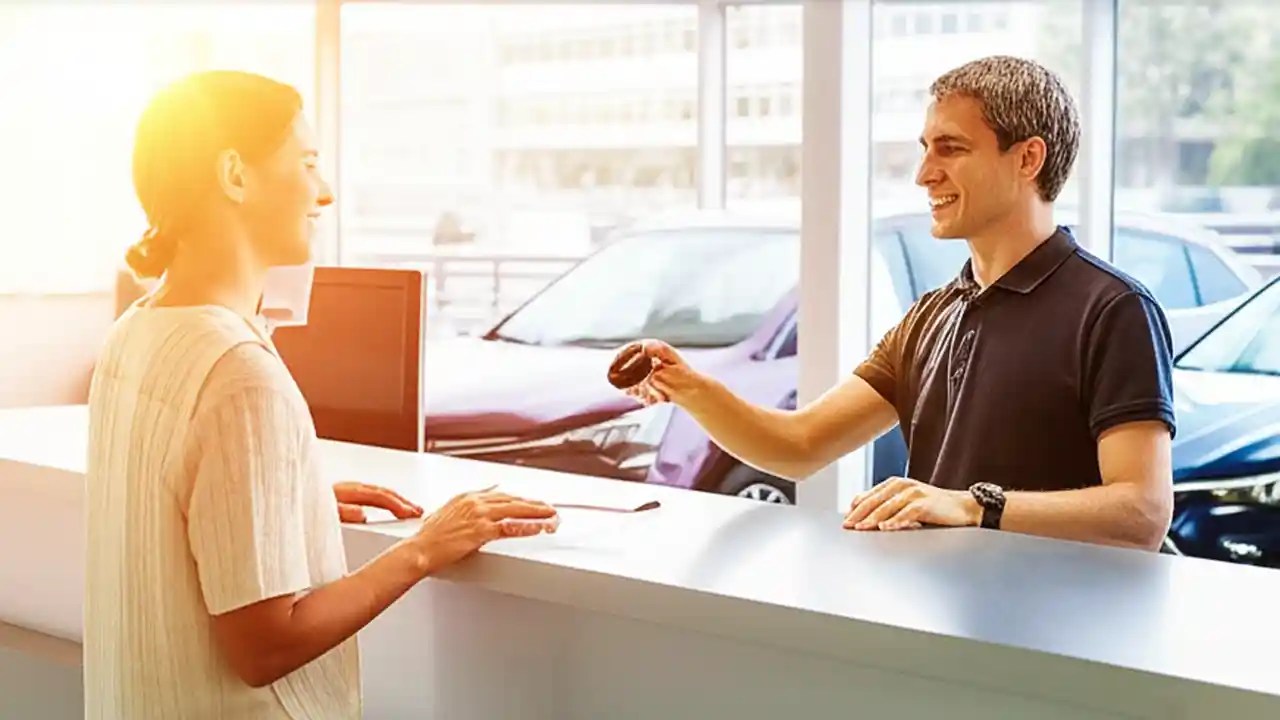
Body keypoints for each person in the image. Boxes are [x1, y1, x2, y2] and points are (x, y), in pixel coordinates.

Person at [84, 71, 558, 719]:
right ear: (235, 175)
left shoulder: (134, 330)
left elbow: (173, 508)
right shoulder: (239, 372)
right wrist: (423, 547)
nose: (325, 191)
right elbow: (265, 647)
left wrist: (287, 504)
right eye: (307, 163)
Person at [626, 56, 1176, 551]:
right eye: (925, 148)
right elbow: (799, 446)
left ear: (1028, 158)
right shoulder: (930, 317)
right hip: (937, 622)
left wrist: (973, 506)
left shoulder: (1114, 310)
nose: (924, 174)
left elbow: (1142, 514)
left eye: (951, 148)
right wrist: (690, 388)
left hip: (1057, 627)